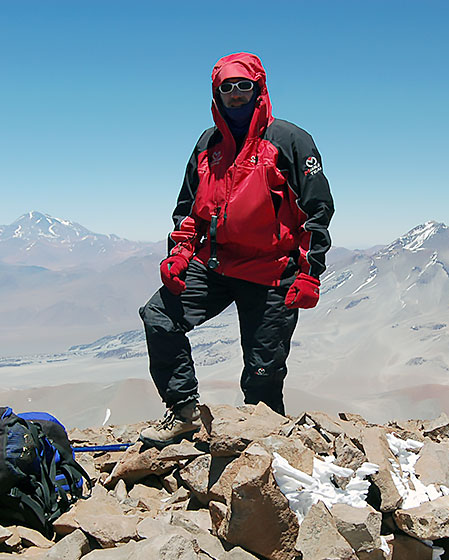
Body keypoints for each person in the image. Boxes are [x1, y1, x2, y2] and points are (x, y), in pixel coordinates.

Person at [138, 52, 334, 448]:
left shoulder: (290, 140)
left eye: (244, 85)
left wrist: (311, 272)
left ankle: (267, 455)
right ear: (216, 93)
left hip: (272, 273)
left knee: (263, 376)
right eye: (226, 87)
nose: (236, 94)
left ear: (259, 88)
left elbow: (317, 210)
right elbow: (188, 209)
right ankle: (184, 412)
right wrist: (179, 253)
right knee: (159, 316)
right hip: (215, 265)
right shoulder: (207, 146)